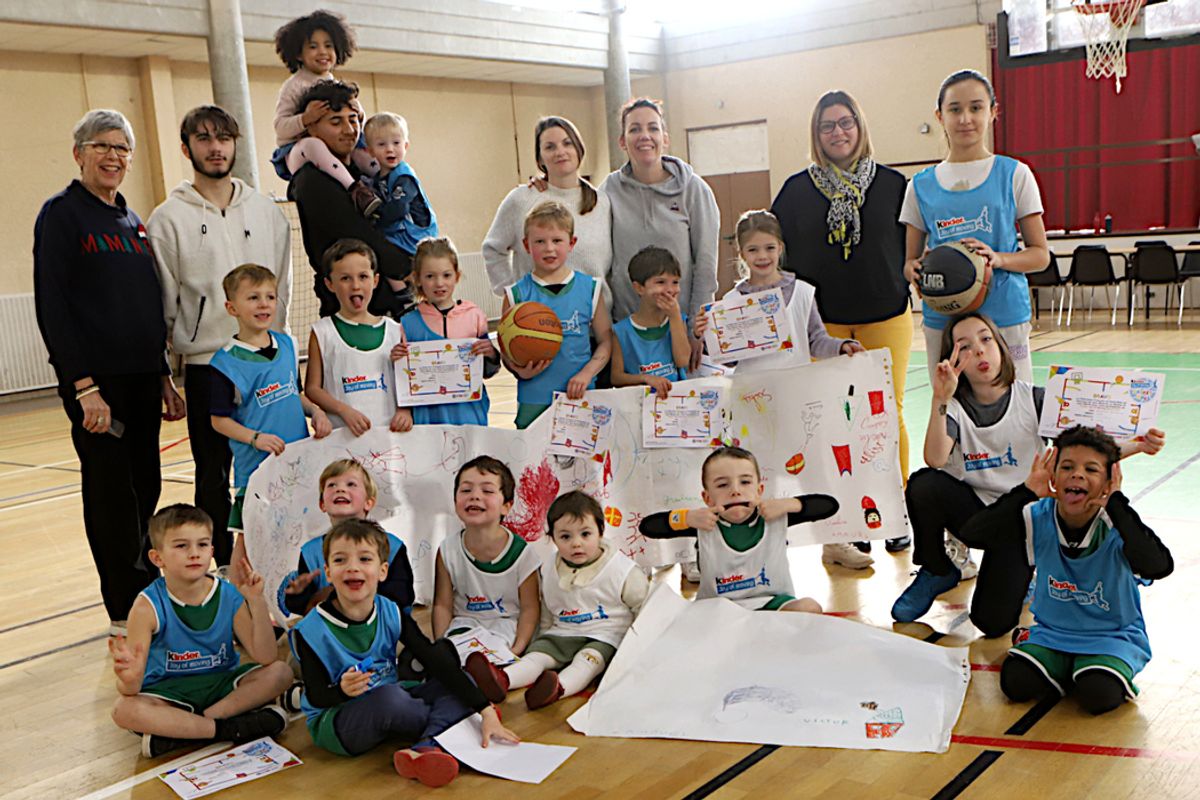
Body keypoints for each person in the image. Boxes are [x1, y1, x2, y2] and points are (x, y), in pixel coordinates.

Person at [891, 312, 1165, 634]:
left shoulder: (1033, 399)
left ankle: (1029, 574)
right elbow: (935, 458)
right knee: (924, 484)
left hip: (1023, 519)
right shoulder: (953, 406)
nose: (978, 350)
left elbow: (1087, 451)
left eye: (986, 339)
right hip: (980, 518)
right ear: (952, 360)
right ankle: (937, 569)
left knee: (992, 623)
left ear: (1001, 346)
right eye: (964, 347)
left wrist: (1138, 445)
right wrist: (940, 397)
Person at [33, 109, 186, 633]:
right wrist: (83, 386)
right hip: (97, 386)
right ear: (79, 153)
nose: (113, 156)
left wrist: (164, 376)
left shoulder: (132, 221)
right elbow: (53, 304)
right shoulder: (62, 215)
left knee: (146, 486)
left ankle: (145, 590)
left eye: (122, 148)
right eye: (102, 145)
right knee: (111, 495)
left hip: (143, 379)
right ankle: (123, 608)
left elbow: (147, 305)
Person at [147, 105, 293, 569]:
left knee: (276, 464)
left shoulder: (265, 211)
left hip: (266, 360)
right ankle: (225, 566)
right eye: (204, 138)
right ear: (186, 147)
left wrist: (278, 346)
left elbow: (282, 282)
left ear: (235, 145)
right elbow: (164, 298)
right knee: (212, 473)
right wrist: (168, 370)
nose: (215, 148)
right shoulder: (168, 218)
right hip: (207, 363)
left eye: (224, 138)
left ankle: (281, 554)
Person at [692, 211, 872, 569]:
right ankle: (765, 551)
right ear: (741, 254)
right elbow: (726, 358)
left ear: (781, 247)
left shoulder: (802, 292)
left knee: (817, 470)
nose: (762, 256)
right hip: (752, 403)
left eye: (769, 248)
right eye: (753, 249)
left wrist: (841, 347)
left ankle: (834, 540)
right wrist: (704, 335)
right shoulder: (730, 301)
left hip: (799, 400)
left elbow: (817, 339)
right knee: (761, 477)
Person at [290, 519, 519, 787]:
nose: (353, 567)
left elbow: (435, 660)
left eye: (365, 559)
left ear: (382, 571)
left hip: (395, 700)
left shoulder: (391, 610)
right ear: (328, 572)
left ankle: (426, 747)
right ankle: (453, 724)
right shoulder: (309, 630)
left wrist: (486, 709)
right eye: (341, 560)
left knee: (461, 679)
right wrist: (342, 691)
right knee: (396, 699)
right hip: (339, 720)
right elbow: (316, 696)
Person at [962, 427, 1172, 715]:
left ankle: (1080, 669)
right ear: (1053, 475)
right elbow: (972, 534)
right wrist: (1026, 492)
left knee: (1098, 695)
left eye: (1091, 469)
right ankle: (1055, 660)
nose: (1077, 475)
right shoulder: (1037, 516)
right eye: (1067, 467)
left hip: (1113, 637)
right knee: (1015, 684)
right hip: (1053, 634)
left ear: (1108, 481)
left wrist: (1118, 503)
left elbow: (1160, 566)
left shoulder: (1117, 524)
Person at [771, 90, 913, 493]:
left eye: (845, 122)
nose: (838, 132)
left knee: (886, 411)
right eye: (827, 126)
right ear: (816, 134)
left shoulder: (893, 185)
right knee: (831, 416)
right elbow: (772, 251)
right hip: (823, 324)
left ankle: (897, 500)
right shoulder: (795, 191)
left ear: (859, 126)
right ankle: (843, 508)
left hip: (886, 315)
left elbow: (914, 246)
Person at [107, 504, 293, 758]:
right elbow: (130, 689)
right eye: (181, 546)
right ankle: (229, 728)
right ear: (157, 558)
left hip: (221, 687)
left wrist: (257, 601)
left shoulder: (228, 594)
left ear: (212, 551)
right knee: (124, 710)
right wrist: (128, 678)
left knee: (281, 672)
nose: (194, 553)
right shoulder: (146, 606)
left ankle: (183, 732)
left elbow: (266, 656)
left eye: (202, 545)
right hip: (168, 694)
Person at [901, 69, 1050, 383]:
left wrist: (999, 259)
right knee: (950, 403)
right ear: (940, 116)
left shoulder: (1015, 174)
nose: (965, 118)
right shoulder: (919, 186)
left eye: (976, 107)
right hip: (943, 317)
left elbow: (1040, 255)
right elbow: (909, 262)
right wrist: (913, 270)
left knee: (1015, 402)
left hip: (1004, 313)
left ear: (993, 112)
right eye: (955, 109)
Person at [466, 491, 649, 709]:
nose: (576, 544)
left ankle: (557, 689)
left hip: (605, 634)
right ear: (552, 538)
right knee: (536, 657)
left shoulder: (621, 570)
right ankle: (502, 679)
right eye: (565, 537)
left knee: (587, 662)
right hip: (563, 632)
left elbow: (644, 609)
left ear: (601, 532)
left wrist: (637, 650)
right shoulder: (549, 569)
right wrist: (543, 636)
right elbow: (547, 607)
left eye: (585, 534)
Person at [209, 265, 332, 578]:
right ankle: (238, 596)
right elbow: (219, 421)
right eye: (253, 297)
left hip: (296, 461)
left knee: (299, 534)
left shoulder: (287, 345)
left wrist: (316, 411)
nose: (264, 304)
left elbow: (294, 392)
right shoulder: (224, 363)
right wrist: (255, 438)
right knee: (249, 541)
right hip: (256, 468)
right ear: (232, 308)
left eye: (270, 297)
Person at [638, 446, 837, 612]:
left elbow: (830, 505)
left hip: (772, 604)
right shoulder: (705, 522)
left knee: (809, 607)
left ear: (759, 490)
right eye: (722, 485)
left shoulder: (774, 516)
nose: (735, 490)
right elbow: (648, 526)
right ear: (707, 498)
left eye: (745, 482)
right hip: (718, 610)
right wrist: (686, 517)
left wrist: (790, 504)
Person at [602, 97, 719, 368]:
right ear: (622, 141)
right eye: (635, 129)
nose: (644, 136)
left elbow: (705, 266)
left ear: (665, 138)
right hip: (630, 336)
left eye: (652, 128)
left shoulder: (694, 190)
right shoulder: (608, 191)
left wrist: (695, 330)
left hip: (680, 332)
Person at [287, 79, 414, 318]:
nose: (349, 130)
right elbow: (360, 235)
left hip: (390, 304)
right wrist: (411, 269)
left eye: (353, 120)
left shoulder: (367, 171)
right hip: (350, 312)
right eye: (336, 122)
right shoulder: (312, 180)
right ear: (312, 129)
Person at [500, 201, 613, 429]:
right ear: (526, 245)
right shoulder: (515, 294)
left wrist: (586, 374)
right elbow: (506, 351)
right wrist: (518, 369)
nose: (549, 248)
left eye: (557, 240)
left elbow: (606, 341)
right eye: (540, 241)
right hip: (534, 398)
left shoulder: (590, 288)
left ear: (572, 243)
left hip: (580, 397)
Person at [483, 116, 612, 306]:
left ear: (579, 148)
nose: (560, 152)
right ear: (539, 158)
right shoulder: (522, 199)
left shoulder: (602, 202)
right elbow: (493, 249)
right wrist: (513, 295)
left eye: (567, 143)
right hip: (538, 318)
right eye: (550, 147)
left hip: (595, 317)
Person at [270, 9, 379, 215]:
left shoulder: (335, 83)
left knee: (363, 150)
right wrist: (305, 119)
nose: (322, 52)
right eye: (313, 46)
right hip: (297, 152)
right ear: (298, 53)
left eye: (328, 46)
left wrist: (359, 112)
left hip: (333, 152)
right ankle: (356, 190)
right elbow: (280, 128)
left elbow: (358, 120)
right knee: (314, 145)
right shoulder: (293, 86)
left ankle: (386, 178)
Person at [432, 457, 541, 657]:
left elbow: (530, 609)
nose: (475, 496)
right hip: (465, 623)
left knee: (493, 654)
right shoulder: (448, 550)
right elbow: (442, 605)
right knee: (455, 651)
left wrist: (517, 650)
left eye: (487, 491)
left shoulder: (523, 554)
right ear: (455, 501)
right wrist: (440, 646)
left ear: (506, 505)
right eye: (466, 490)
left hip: (506, 625)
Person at [281, 458, 415, 618]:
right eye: (332, 485)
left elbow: (402, 598)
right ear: (322, 504)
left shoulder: (392, 546)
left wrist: (341, 596)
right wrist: (297, 594)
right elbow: (303, 607)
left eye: (351, 484)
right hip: (330, 630)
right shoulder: (310, 552)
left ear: (368, 502)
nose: (340, 489)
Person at [304, 239, 410, 435]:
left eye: (363, 277)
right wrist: (343, 410)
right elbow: (312, 389)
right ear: (329, 284)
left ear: (375, 280)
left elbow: (408, 382)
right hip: (342, 438)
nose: (355, 285)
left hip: (389, 436)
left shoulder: (395, 330)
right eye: (345, 278)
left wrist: (405, 410)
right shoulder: (322, 332)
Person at [393, 238, 498, 427]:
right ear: (417, 279)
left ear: (457, 276)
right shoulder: (407, 323)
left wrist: (490, 353)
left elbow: (488, 371)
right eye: (430, 276)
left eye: (446, 275)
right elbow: (400, 378)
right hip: (428, 418)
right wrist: (396, 359)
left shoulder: (474, 316)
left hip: (469, 414)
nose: (439, 283)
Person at [363, 112, 438, 274]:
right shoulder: (377, 178)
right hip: (399, 235)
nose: (390, 149)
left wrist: (376, 222)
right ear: (370, 151)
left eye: (396, 143)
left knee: (384, 256)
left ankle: (401, 286)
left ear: (405, 146)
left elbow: (398, 209)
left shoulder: (404, 176)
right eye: (381, 144)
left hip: (416, 238)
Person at [609, 246, 691, 392]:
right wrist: (646, 379)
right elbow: (616, 377)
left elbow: (683, 361)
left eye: (675, 282)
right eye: (661, 282)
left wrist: (674, 317)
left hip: (676, 399)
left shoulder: (678, 320)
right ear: (639, 288)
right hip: (639, 401)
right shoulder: (621, 331)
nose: (670, 289)